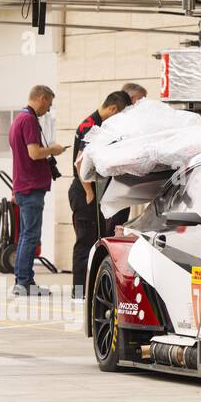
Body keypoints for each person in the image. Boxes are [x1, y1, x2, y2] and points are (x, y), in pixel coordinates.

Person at [69, 91, 132, 297]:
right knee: (85, 241)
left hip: (92, 190)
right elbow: (80, 163)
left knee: (94, 240)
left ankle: (91, 290)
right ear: (113, 109)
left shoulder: (97, 124)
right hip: (85, 191)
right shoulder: (92, 127)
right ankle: (79, 292)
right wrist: (89, 192)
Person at [7, 85, 65, 296]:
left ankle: (23, 281)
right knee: (30, 236)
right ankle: (24, 282)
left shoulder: (18, 120)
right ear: (41, 98)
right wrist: (54, 149)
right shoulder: (29, 120)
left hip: (24, 186)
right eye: (48, 104)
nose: (48, 110)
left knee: (26, 236)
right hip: (31, 188)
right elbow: (33, 153)